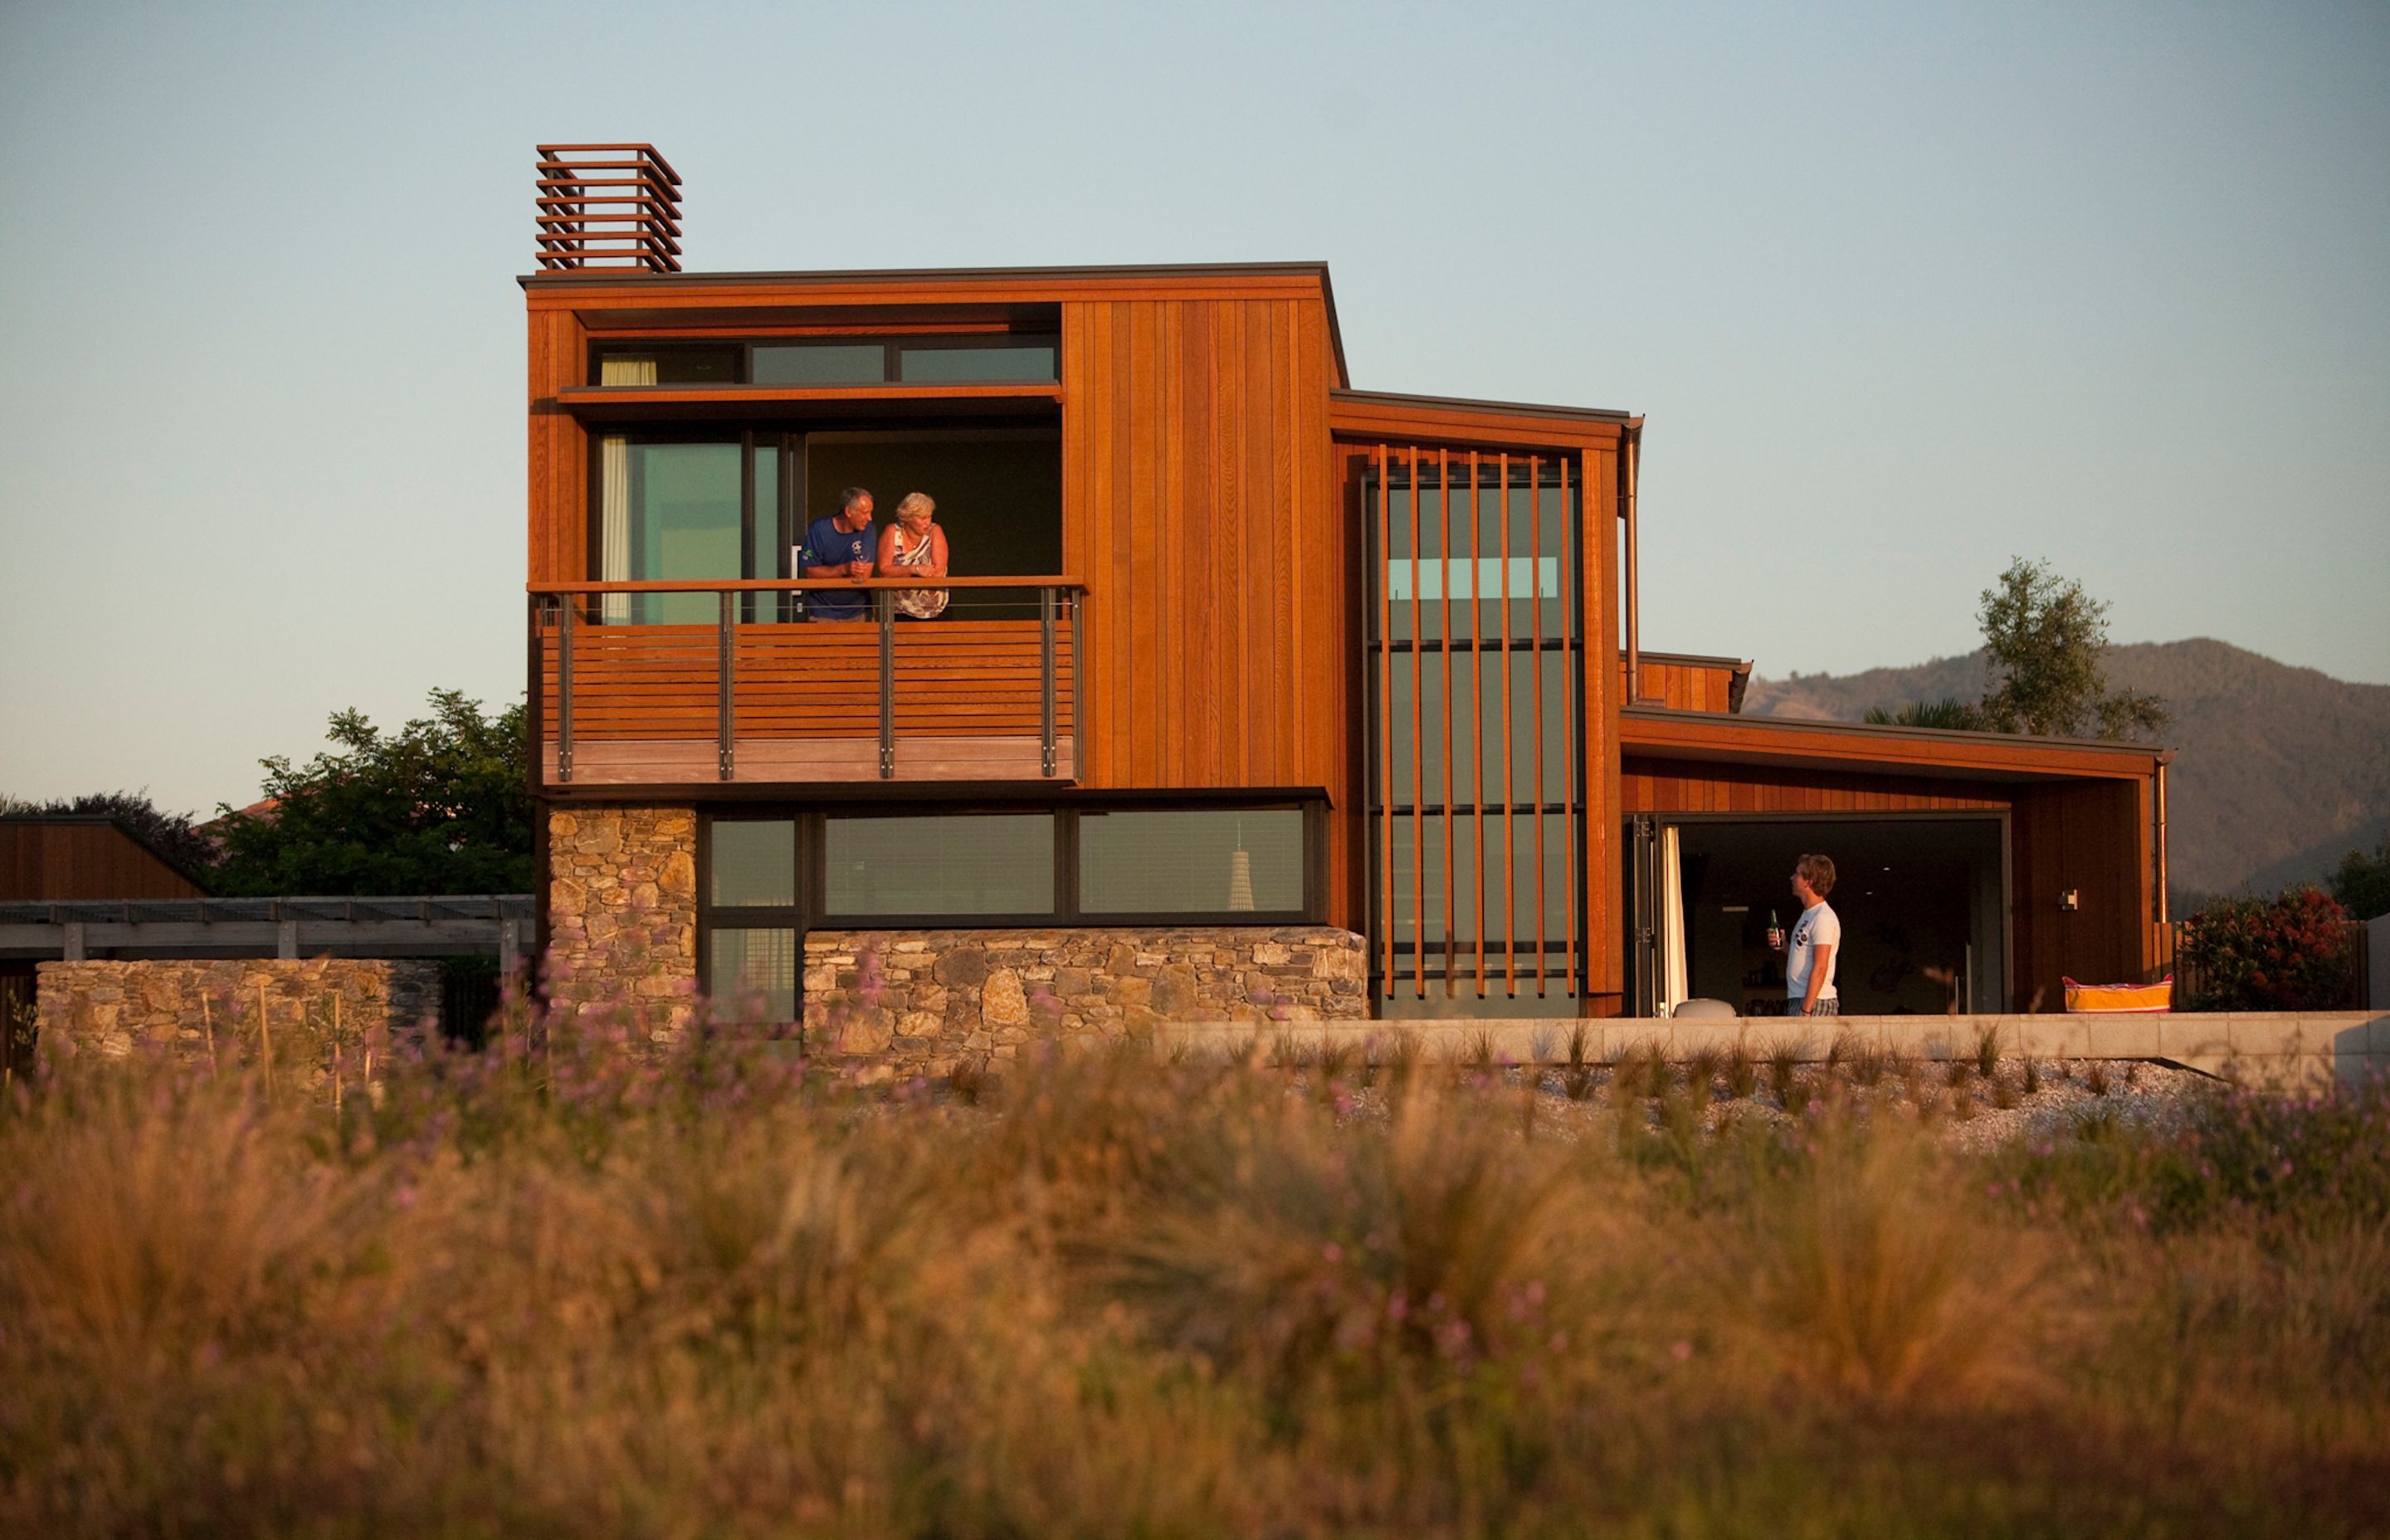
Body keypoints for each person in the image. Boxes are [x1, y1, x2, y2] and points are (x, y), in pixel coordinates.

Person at [797, 487, 876, 621]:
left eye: (870, 512)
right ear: (848, 512)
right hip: (823, 611)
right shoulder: (819, 529)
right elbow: (810, 571)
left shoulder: (869, 529)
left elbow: (863, 575)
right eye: (865, 513)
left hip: (859, 610)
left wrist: (826, 574)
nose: (869, 518)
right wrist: (843, 569)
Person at [876, 491, 949, 619]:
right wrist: (915, 570)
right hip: (899, 610)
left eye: (929, 517)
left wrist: (898, 574)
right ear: (907, 517)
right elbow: (884, 571)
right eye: (922, 518)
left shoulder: (935, 531)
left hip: (934, 610)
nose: (927, 522)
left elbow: (938, 573)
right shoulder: (892, 531)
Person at [1785, 853, 1841, 1018]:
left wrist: (1807, 1009)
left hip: (1815, 1001)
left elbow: (1821, 966)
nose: (1792, 878)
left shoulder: (1822, 917)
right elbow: (1802, 955)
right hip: (1800, 998)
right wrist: (1783, 946)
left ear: (1808, 882)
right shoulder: (1809, 914)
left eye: (1797, 874)